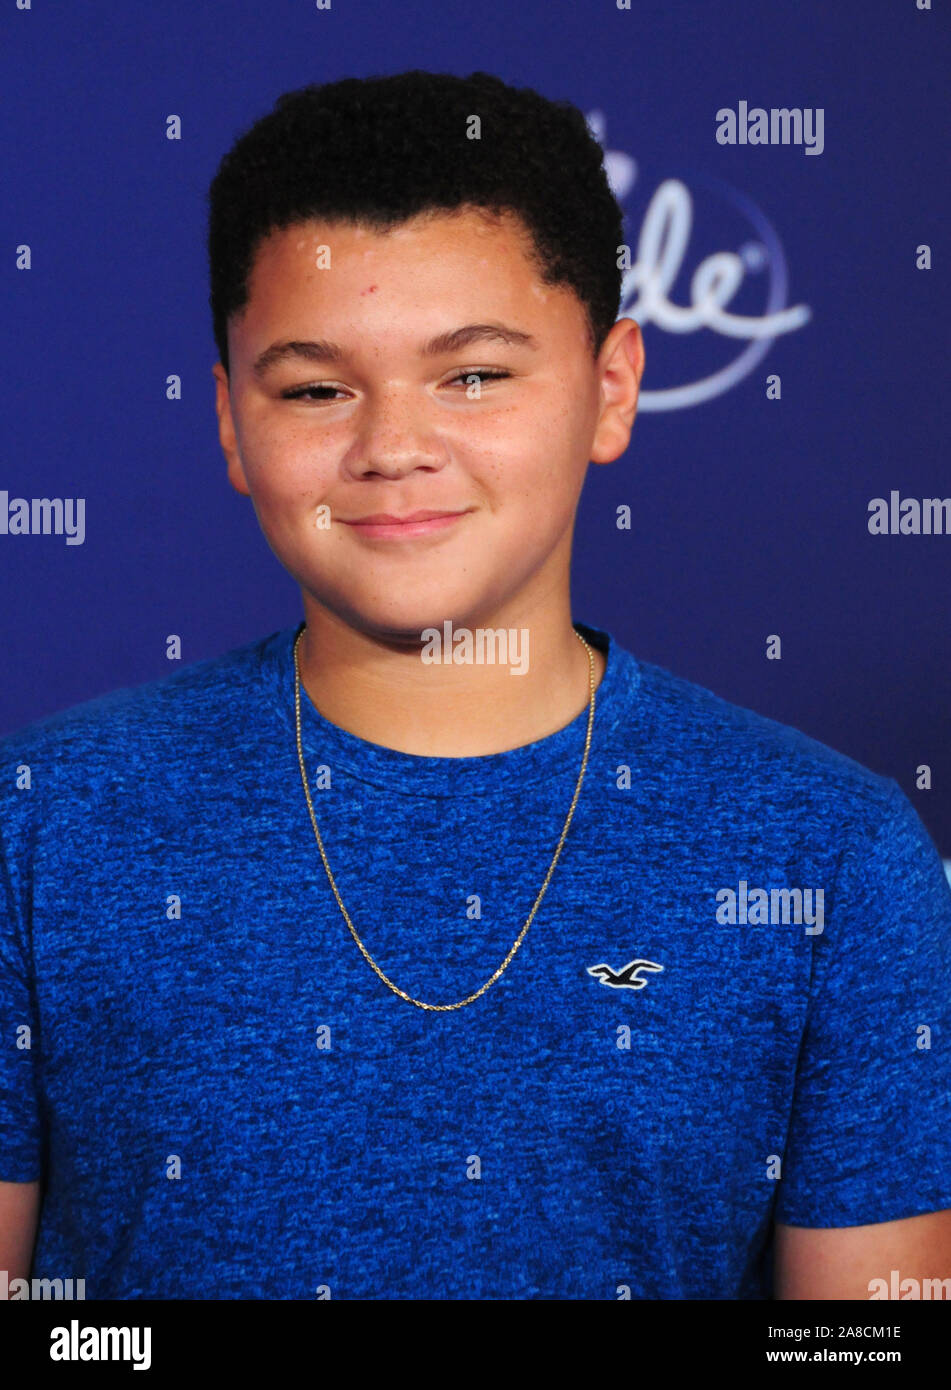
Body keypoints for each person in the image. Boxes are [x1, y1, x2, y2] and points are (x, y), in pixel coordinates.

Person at [1, 69, 949, 1301]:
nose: (393, 445)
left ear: (612, 388)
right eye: (314, 387)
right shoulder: (39, 821)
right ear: (230, 417)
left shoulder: (832, 855)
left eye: (475, 375)